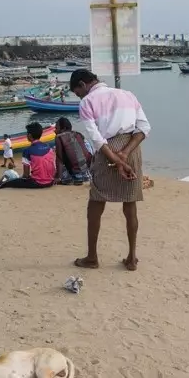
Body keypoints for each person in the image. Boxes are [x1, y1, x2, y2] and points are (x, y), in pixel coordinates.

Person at [69, 69, 150, 272]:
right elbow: (144, 128)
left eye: (77, 92)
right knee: (130, 203)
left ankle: (92, 257)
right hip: (132, 147)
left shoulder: (87, 102)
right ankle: (132, 258)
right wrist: (125, 154)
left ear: (82, 84)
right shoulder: (128, 95)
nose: (79, 96)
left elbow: (96, 138)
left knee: (96, 201)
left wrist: (115, 157)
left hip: (108, 149)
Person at [0, 123, 56, 190]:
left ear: (29, 135)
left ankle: (0, 184)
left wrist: (19, 179)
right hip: (51, 181)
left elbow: (26, 175)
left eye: (27, 133)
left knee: (11, 182)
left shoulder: (27, 151)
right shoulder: (49, 147)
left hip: (38, 183)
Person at [54, 117, 92, 185]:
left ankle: (69, 178)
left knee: (58, 157)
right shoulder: (78, 134)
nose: (55, 131)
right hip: (88, 173)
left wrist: (58, 177)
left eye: (56, 128)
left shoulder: (59, 137)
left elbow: (59, 159)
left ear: (64, 129)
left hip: (77, 175)